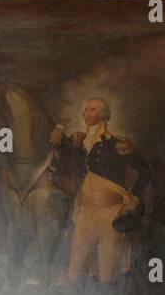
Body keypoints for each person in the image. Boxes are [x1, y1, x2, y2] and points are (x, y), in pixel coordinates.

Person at [61, 97, 150, 285]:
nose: (86, 113)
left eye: (92, 109)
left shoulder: (117, 143)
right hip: (85, 212)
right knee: (78, 270)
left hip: (111, 212)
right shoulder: (77, 142)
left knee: (108, 272)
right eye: (85, 109)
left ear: (103, 114)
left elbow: (145, 171)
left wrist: (133, 198)